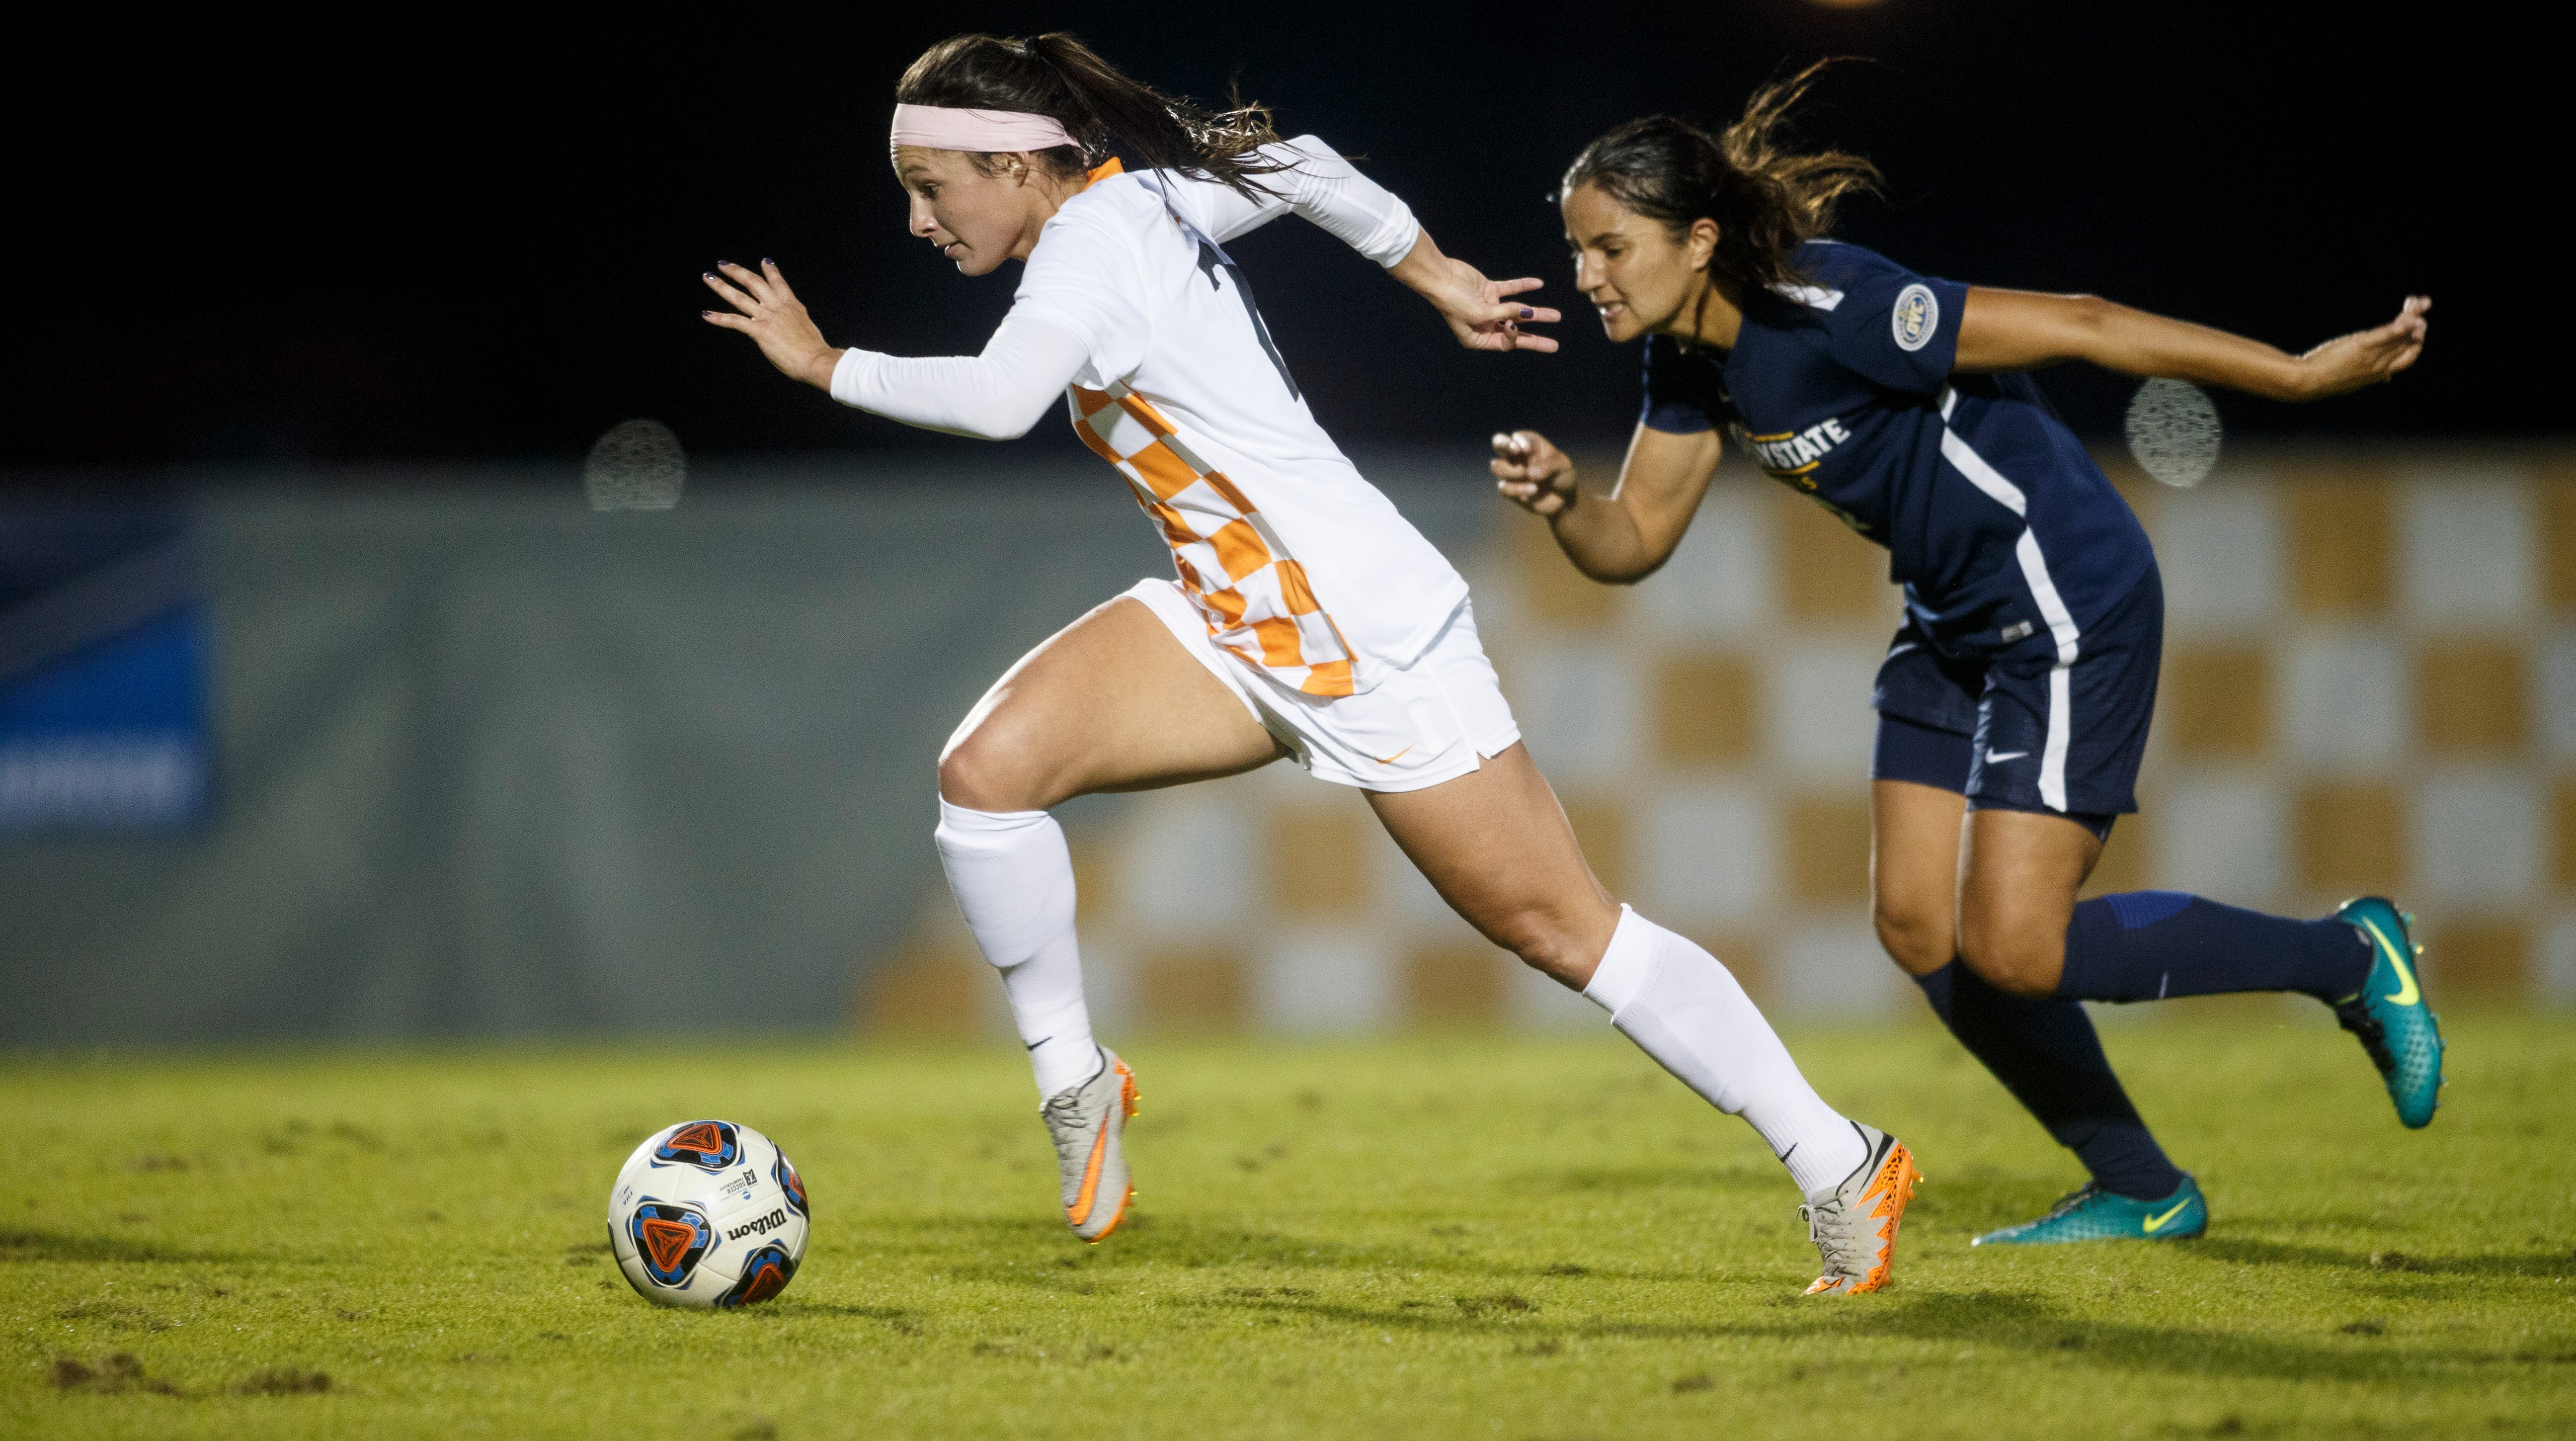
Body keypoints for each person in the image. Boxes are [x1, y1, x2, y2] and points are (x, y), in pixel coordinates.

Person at [700, 33, 1918, 1293]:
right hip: (1233, 620)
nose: (916, 219)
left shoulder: (1090, 251)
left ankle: (1841, 1158)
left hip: (1361, 635)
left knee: (1566, 931)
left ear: (1011, 160)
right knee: (985, 774)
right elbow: (1305, 164)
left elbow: (1005, 401)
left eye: (931, 187)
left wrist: (821, 362)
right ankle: (1078, 1083)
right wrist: (1436, 277)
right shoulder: (1150, 194)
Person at [1487, 64, 2439, 1246]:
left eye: (1609, 248)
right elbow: (1630, 543)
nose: (1586, 276)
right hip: (1950, 617)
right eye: (1578, 250)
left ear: (1699, 239)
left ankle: (2349, 957)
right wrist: (1570, 497)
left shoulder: (1834, 306)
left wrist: (2299, 373)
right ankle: (2144, 1187)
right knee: (1918, 928)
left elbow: (2085, 322)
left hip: (2062, 593)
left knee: (2016, 946)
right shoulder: (1687, 359)